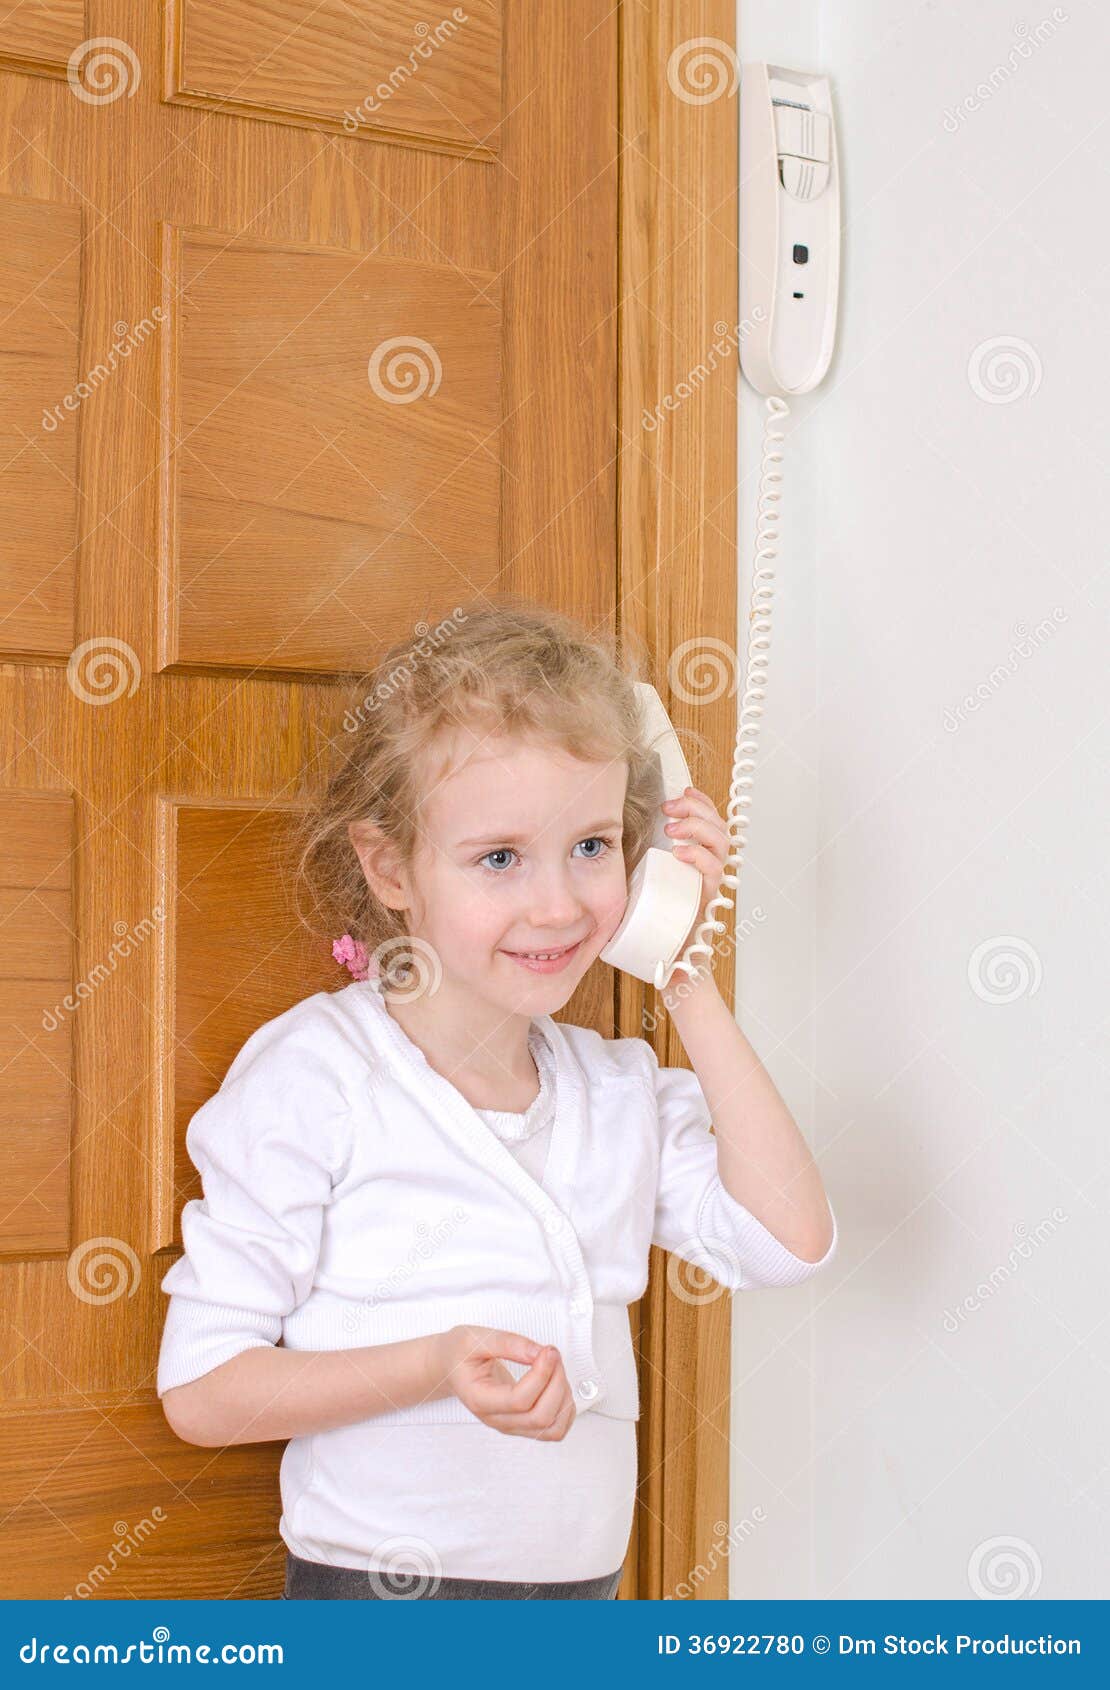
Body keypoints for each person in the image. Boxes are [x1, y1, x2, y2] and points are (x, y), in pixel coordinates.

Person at [156, 596, 838, 1600]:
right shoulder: (317, 1077)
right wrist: (435, 1366)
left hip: (583, 1601)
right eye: (501, 857)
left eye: (594, 846)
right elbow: (204, 1391)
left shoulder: (616, 1093)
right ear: (390, 865)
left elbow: (790, 1239)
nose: (558, 904)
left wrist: (685, 973)